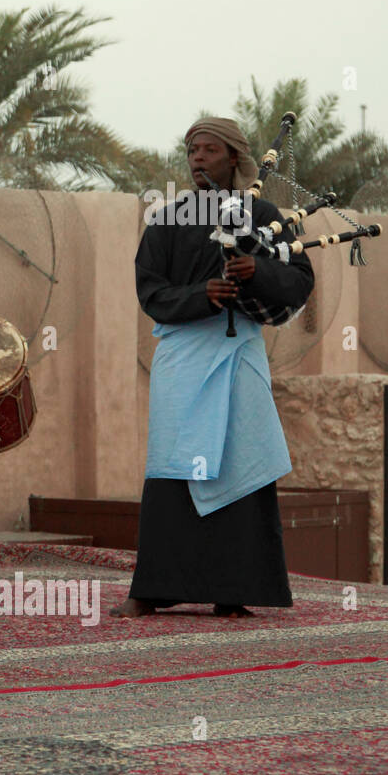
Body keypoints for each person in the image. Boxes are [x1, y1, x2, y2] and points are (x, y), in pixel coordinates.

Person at [113, 117, 314, 620]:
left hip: (240, 356)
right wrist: (200, 294)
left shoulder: (263, 214)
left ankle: (234, 588)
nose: (198, 158)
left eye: (208, 150)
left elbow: (298, 279)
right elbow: (150, 291)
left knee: (241, 466)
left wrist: (255, 270)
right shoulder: (167, 219)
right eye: (192, 150)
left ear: (233, 159)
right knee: (172, 466)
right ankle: (152, 588)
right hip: (182, 360)